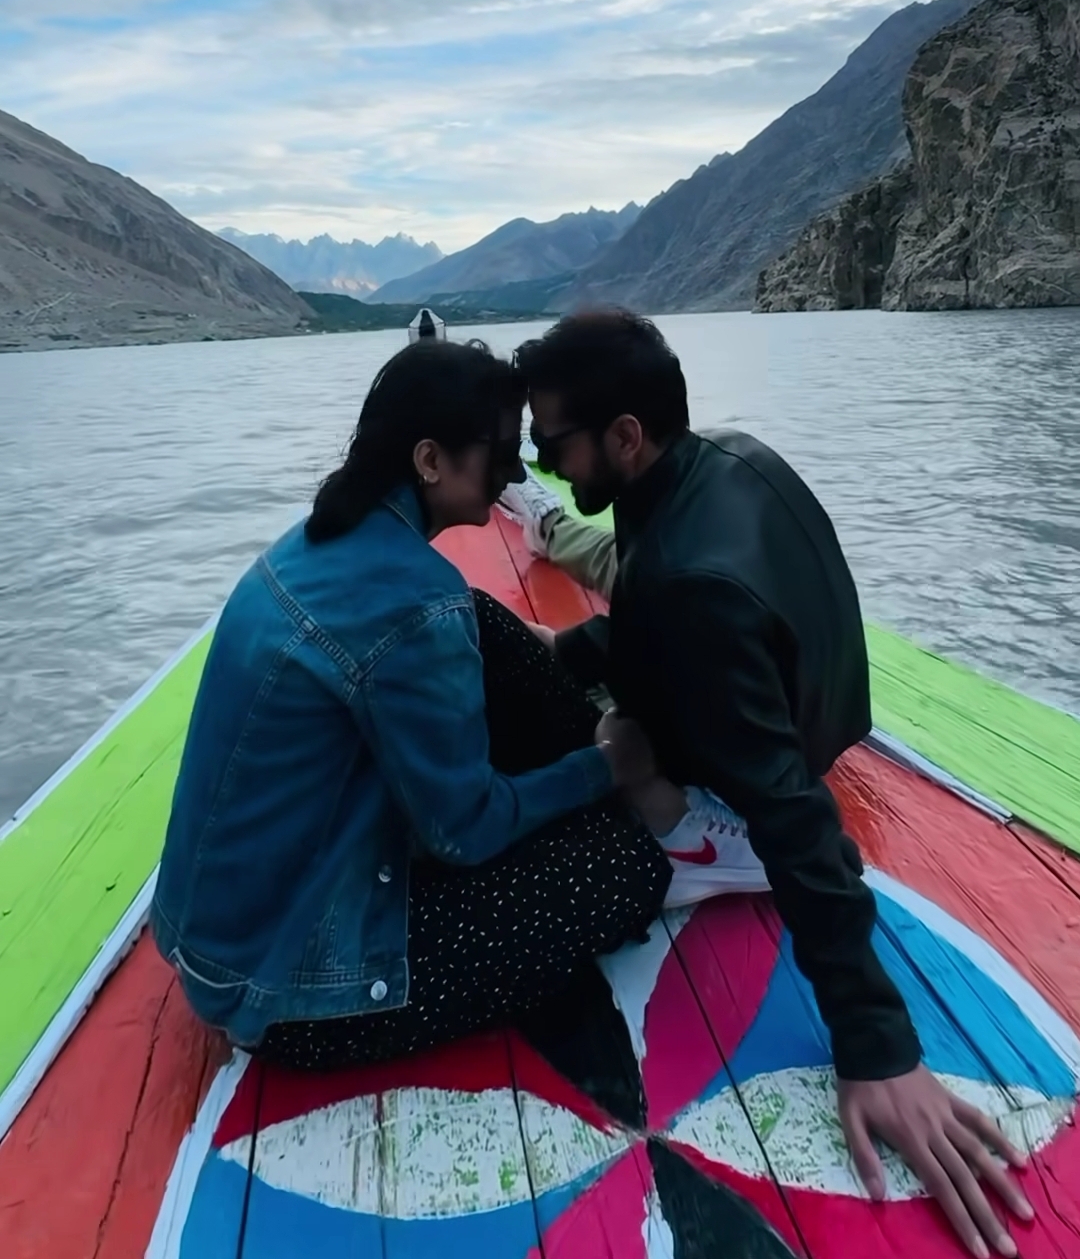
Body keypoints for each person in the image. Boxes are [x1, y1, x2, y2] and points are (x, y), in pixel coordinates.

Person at [509, 309, 1033, 1259]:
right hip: (820, 698)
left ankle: (713, 845)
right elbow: (655, 622)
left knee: (596, 764)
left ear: (625, 436)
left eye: (554, 447)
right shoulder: (725, 457)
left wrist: (879, 1044)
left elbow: (799, 817)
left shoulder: (683, 581)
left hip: (774, 767)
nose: (550, 468)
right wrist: (577, 646)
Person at [151, 338, 670, 1071]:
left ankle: (606, 755)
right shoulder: (415, 608)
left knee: (479, 619)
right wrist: (603, 769)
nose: (515, 473)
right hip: (284, 990)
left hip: (215, 939)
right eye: (499, 452)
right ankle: (626, 766)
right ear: (429, 461)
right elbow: (463, 830)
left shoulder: (311, 545)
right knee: (624, 868)